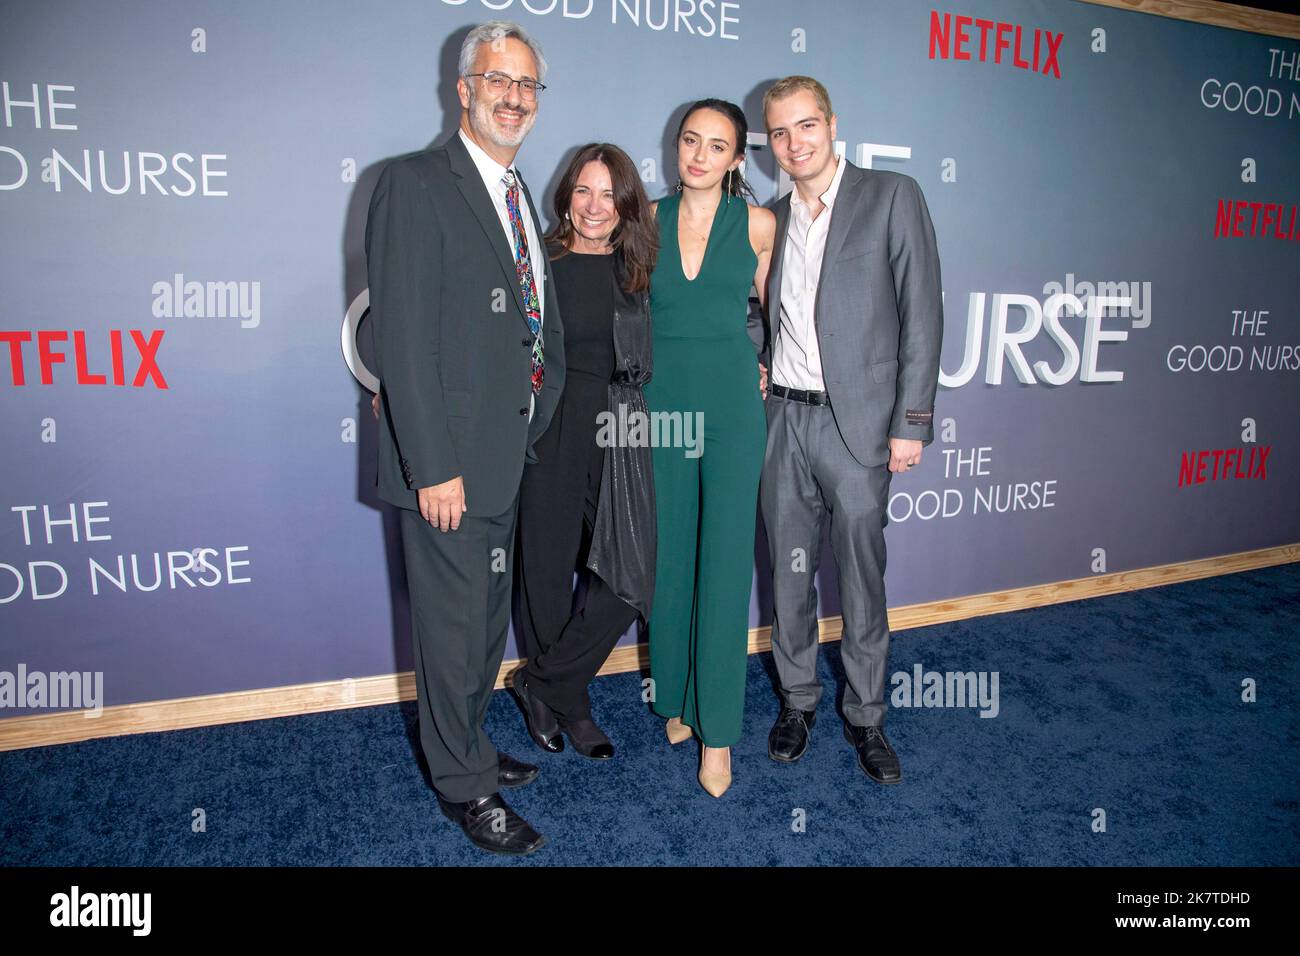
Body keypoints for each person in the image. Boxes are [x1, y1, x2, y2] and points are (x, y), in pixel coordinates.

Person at [364, 20, 564, 855]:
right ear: (464, 89)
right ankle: (464, 788)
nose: (513, 96)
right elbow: (401, 340)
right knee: (450, 632)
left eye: (527, 85)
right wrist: (432, 468)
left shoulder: (517, 191)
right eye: (498, 80)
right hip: (446, 467)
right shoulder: (413, 183)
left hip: (504, 453)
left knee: (482, 625)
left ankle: (468, 745)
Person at [758, 76, 943, 784]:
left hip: (858, 427)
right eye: (779, 132)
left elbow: (922, 313)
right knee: (789, 574)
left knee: (862, 579)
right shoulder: (771, 217)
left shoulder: (892, 196)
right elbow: (756, 307)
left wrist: (912, 422)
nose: (794, 143)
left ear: (832, 125)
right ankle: (798, 700)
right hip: (785, 421)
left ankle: (866, 717)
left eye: (806, 126)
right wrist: (758, 360)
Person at [511, 143, 658, 760]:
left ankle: (545, 683)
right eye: (583, 192)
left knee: (633, 573)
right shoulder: (536, 263)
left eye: (609, 195)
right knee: (545, 568)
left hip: (623, 422)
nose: (595, 207)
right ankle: (569, 702)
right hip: (551, 419)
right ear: (566, 196)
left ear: (627, 205)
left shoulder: (641, 268)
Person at [645, 99, 774, 798]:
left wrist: (766, 367)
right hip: (661, 408)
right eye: (690, 140)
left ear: (736, 158)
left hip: (731, 408)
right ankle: (675, 696)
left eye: (716, 145)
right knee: (669, 559)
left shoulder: (757, 224)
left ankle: (718, 732)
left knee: (724, 567)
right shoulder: (647, 223)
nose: (698, 155)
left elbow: (783, 315)